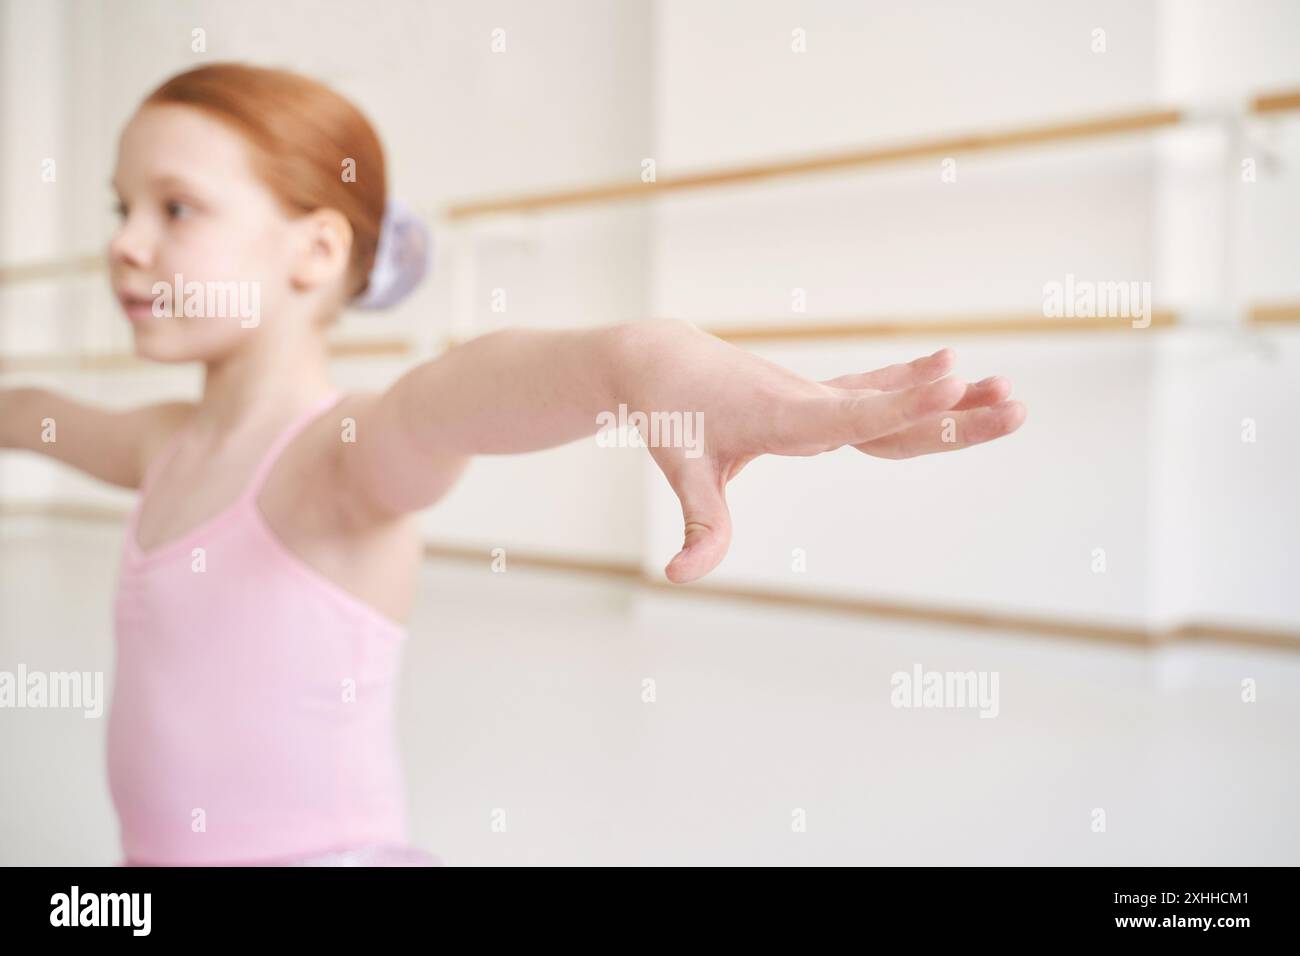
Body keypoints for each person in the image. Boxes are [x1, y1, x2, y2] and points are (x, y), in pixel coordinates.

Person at [0, 63, 1026, 866]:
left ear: (313, 252)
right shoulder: (162, 445)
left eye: (174, 208)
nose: (125, 244)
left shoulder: (332, 459)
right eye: (118, 207)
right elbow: (35, 413)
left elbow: (451, 400)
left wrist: (632, 363)